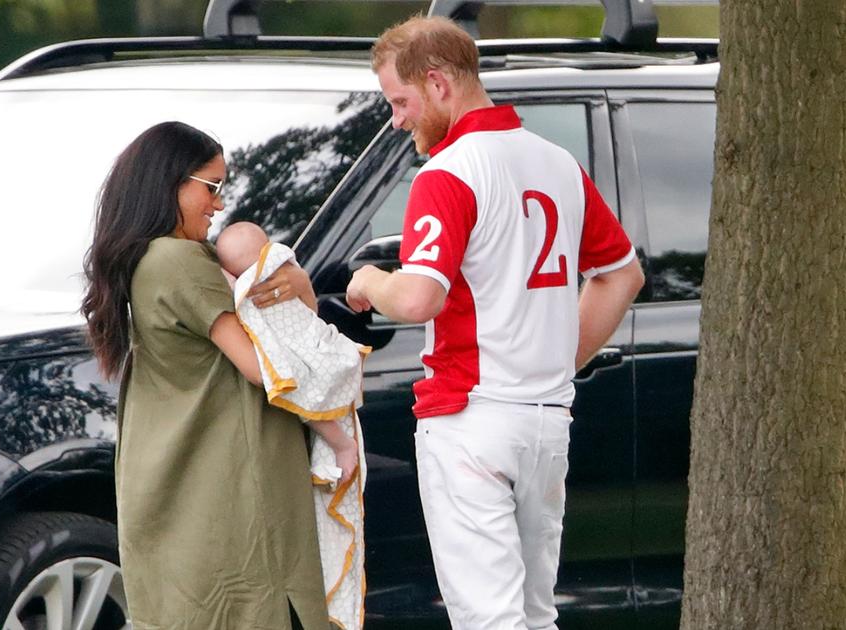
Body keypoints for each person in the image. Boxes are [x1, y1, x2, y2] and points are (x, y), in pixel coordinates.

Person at [346, 16, 646, 630]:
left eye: (400, 103)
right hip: (546, 420)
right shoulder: (557, 161)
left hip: (470, 418)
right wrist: (559, 358)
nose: (398, 120)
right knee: (535, 615)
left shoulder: (448, 171)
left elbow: (419, 298)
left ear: (437, 84)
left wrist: (369, 282)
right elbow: (622, 274)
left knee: (490, 619)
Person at [81, 121, 329, 630]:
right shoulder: (179, 260)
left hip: (181, 495)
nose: (218, 205)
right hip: (226, 498)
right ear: (170, 181)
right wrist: (299, 289)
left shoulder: (146, 260)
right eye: (211, 187)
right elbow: (266, 368)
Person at [217, 220, 368, 630]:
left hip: (306, 369)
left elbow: (305, 319)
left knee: (312, 395)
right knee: (313, 397)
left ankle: (340, 447)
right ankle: (341, 446)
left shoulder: (273, 276)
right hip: (301, 381)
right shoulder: (255, 277)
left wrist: (299, 284)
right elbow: (271, 363)